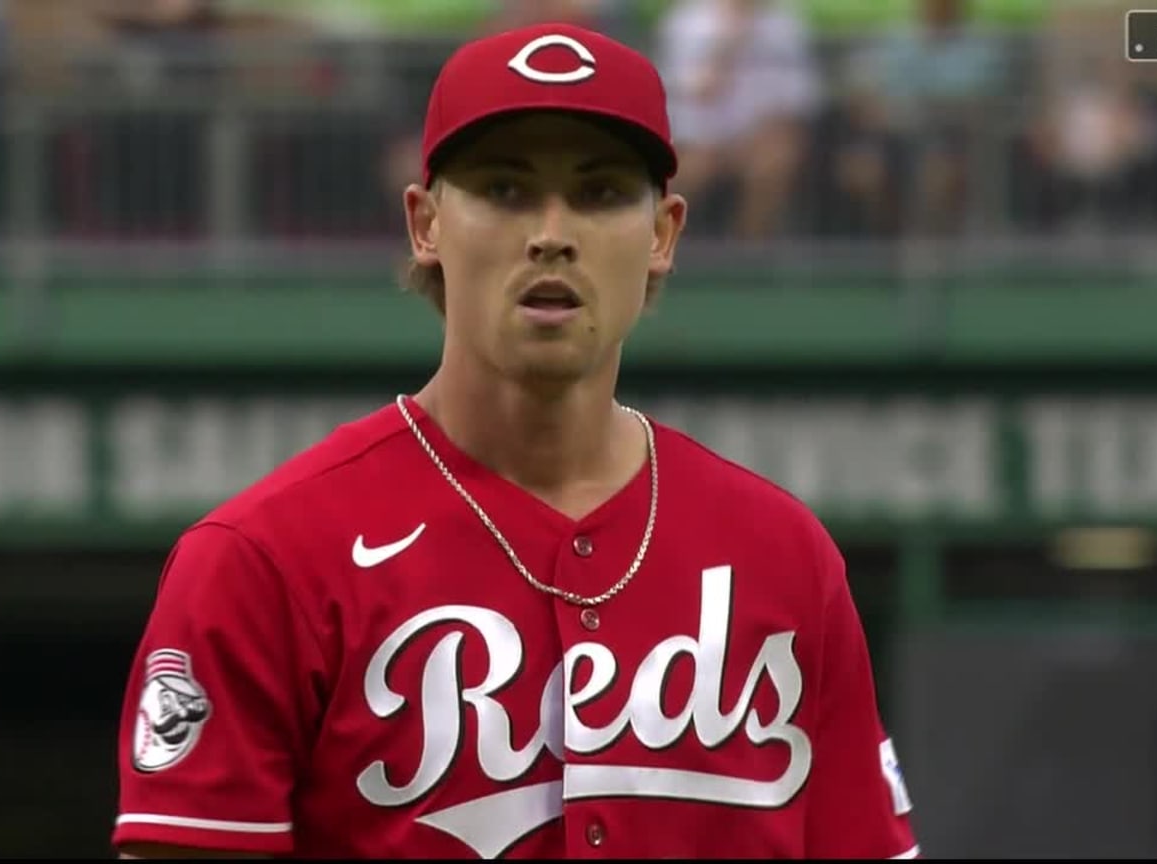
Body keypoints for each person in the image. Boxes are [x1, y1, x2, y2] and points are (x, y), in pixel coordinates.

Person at [112, 21, 921, 860]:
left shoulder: (784, 557)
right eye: (503, 189)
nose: (551, 232)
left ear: (664, 236)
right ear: (425, 224)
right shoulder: (263, 561)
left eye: (602, 193)